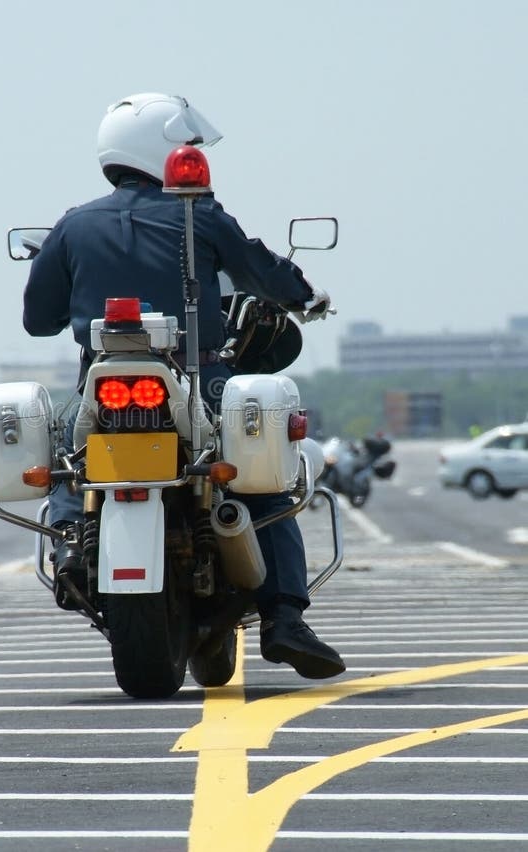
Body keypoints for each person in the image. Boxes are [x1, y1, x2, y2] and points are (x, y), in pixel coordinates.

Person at [23, 92, 345, 680]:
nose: (194, 152)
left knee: (71, 456)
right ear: (162, 148)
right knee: (261, 475)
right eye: (187, 143)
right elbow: (259, 268)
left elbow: (37, 320)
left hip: (101, 382)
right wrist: (305, 297)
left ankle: (70, 539)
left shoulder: (72, 224)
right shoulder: (198, 213)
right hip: (198, 376)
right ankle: (285, 619)